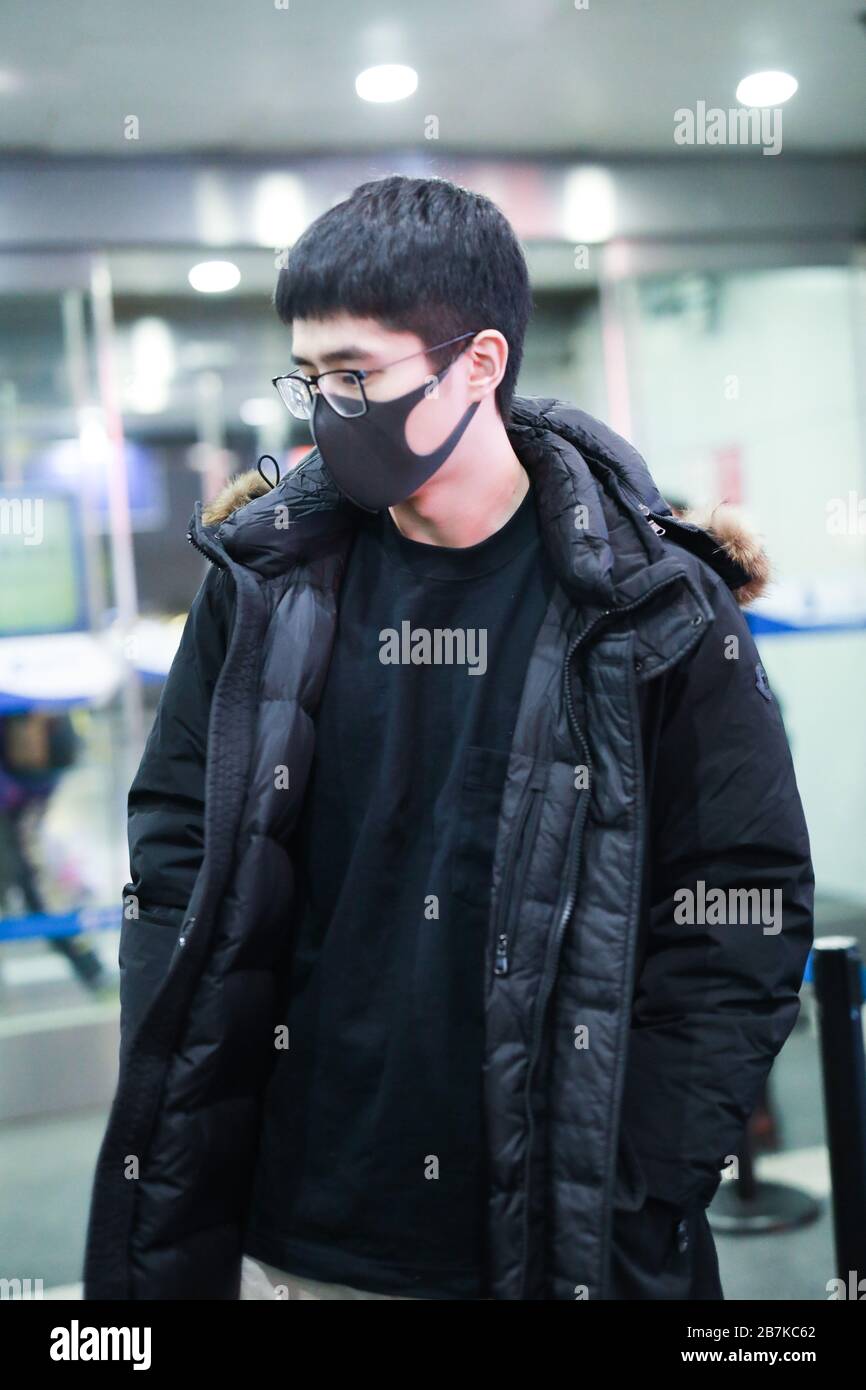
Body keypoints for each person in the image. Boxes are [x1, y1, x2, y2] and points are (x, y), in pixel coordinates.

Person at [83, 174, 814, 1301]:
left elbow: (737, 908)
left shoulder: (653, 606)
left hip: (555, 1230)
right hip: (310, 1222)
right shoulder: (266, 581)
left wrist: (639, 1179)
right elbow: (179, 840)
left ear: (477, 362)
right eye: (307, 376)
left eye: (355, 375)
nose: (323, 410)